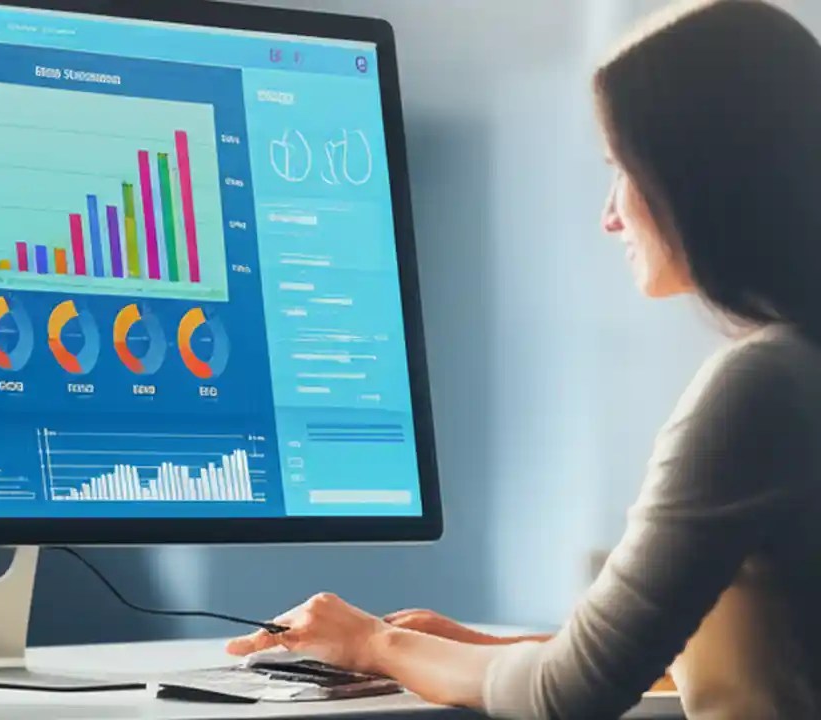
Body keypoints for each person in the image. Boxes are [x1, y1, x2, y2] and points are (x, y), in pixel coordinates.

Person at [227, 1, 821, 717]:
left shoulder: (762, 385)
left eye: (621, 170)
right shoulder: (797, 370)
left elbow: (568, 693)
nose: (609, 214)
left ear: (693, 179)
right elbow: (653, 654)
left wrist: (370, 645)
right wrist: (462, 652)